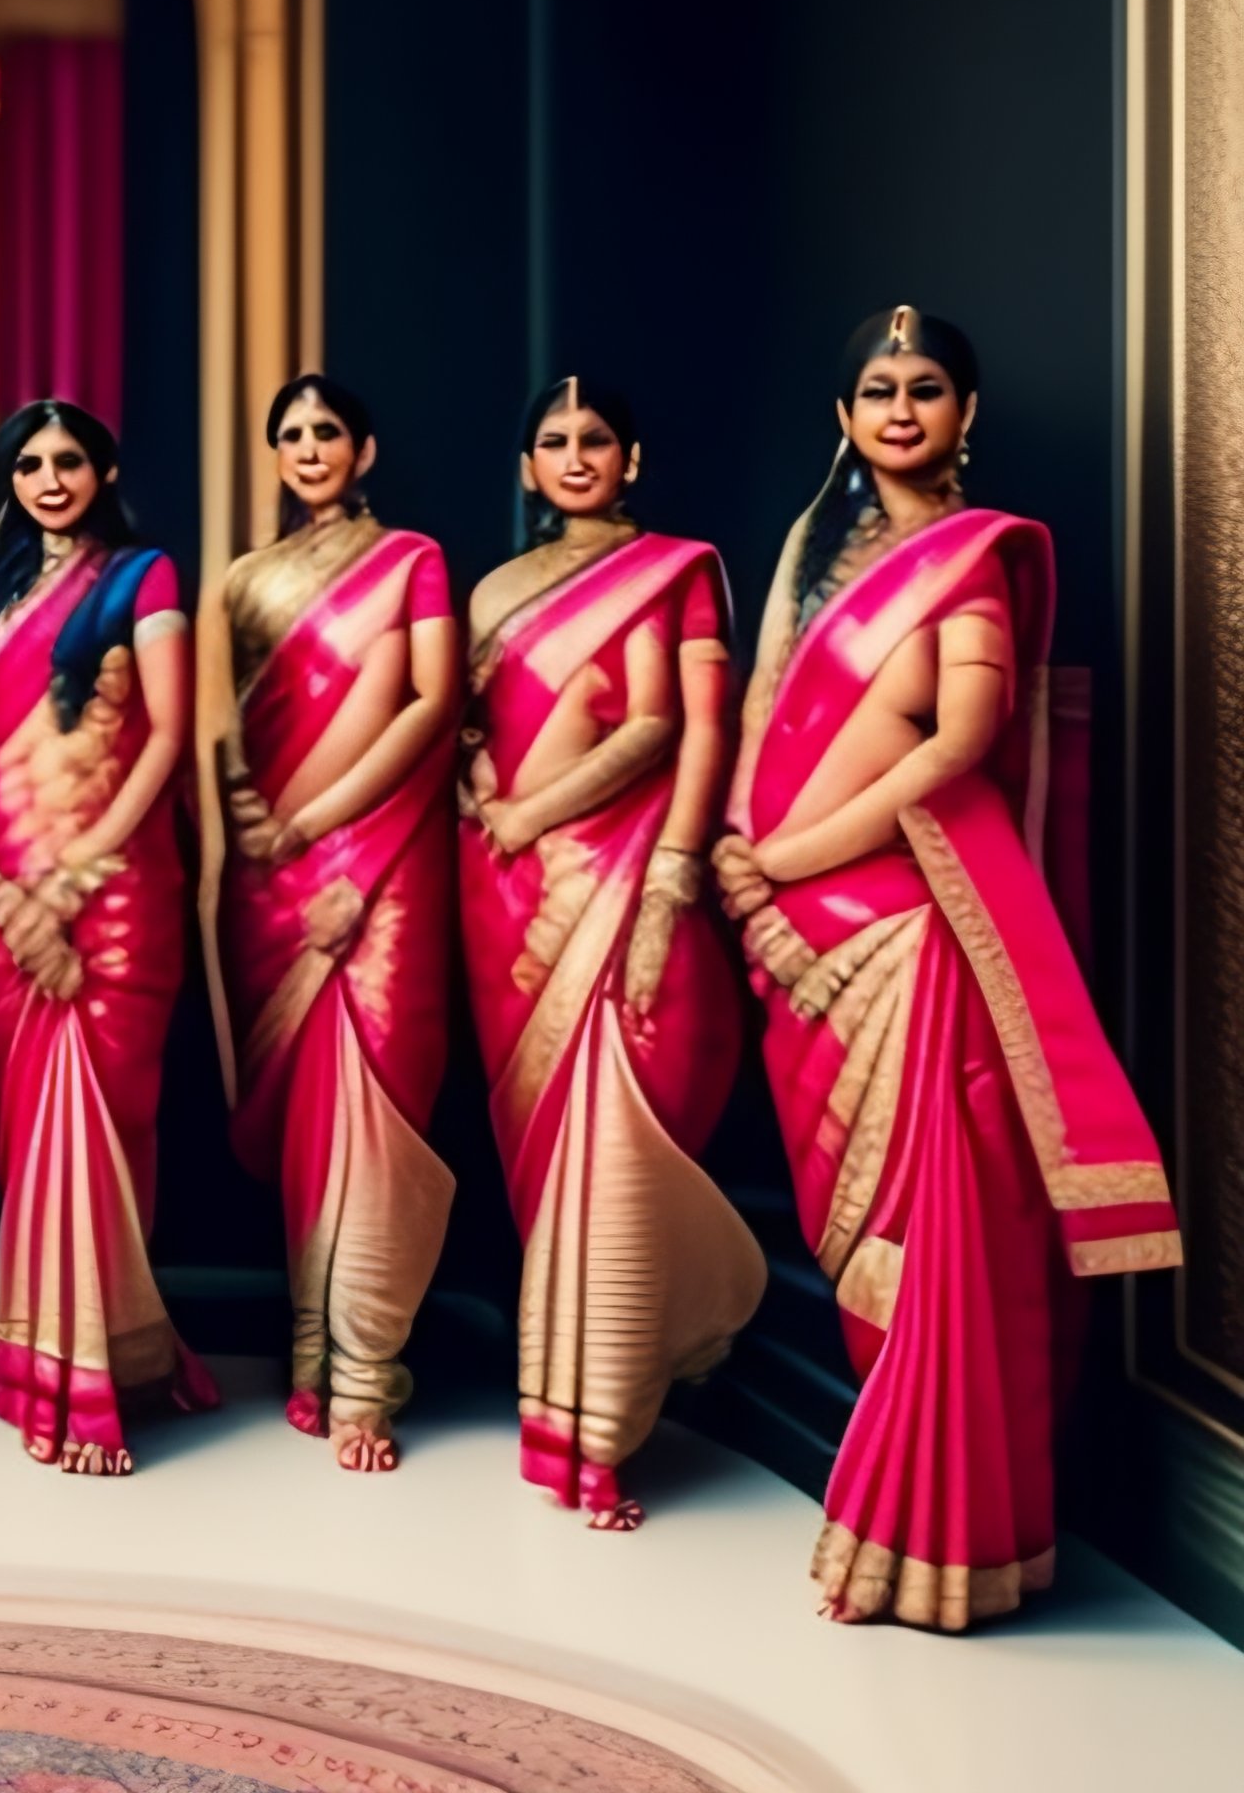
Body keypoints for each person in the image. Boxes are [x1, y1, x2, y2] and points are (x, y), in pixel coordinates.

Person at [717, 308, 1177, 1628]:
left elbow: (957, 747)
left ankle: (947, 1538)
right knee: (849, 1229)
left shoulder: (973, 560)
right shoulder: (817, 548)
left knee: (936, 1233)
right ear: (846, 418)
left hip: (913, 934)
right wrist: (744, 852)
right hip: (793, 919)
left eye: (927, 389)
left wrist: (789, 854)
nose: (902, 408)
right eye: (878, 389)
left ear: (963, 414)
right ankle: (896, 1510)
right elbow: (759, 707)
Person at [458, 378, 763, 1530]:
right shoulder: (493, 589)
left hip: (627, 875)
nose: (575, 455)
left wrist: (673, 859)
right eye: (553, 440)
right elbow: (473, 727)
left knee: (620, 1151)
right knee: (545, 1157)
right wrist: (486, 787)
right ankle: (562, 1419)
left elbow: (673, 723)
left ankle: (608, 1430)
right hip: (502, 891)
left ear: (630, 456)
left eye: (595, 439)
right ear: (528, 464)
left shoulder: (679, 568)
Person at [0, 399, 214, 1474]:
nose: (50, 480)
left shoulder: (143, 578)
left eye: (70, 462)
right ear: (8, 478)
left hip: (111, 885)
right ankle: (36, 1363)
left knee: (98, 1118)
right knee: (20, 1119)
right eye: (30, 464)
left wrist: (81, 870)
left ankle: (92, 1378)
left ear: (103, 471)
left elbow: (169, 737)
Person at [205, 374, 459, 1475]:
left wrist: (319, 817)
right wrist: (257, 818)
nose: (309, 448)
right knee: (309, 1114)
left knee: (377, 1102)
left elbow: (430, 700)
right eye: (291, 435)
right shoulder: (243, 583)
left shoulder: (414, 560)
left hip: (383, 853)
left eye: (326, 432)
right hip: (267, 871)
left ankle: (367, 1375)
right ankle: (308, 1347)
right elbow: (219, 729)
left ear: (364, 447)